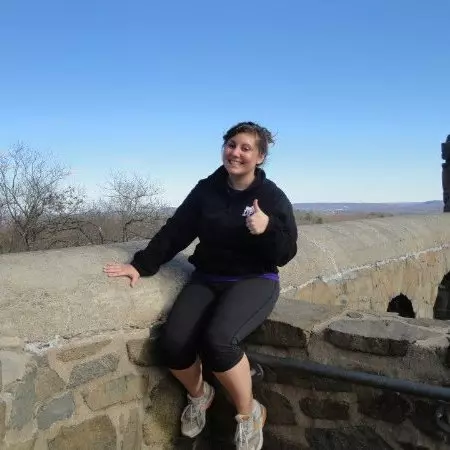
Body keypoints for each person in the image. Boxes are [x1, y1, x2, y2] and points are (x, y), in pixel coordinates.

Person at [103, 121, 298, 450]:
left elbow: (286, 253)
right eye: (231, 144)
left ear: (260, 157)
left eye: (245, 148)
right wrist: (140, 264)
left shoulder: (271, 197)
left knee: (219, 342)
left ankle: (249, 413)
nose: (235, 152)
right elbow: (177, 230)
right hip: (209, 277)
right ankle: (200, 395)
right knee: (173, 344)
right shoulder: (206, 190)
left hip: (254, 279)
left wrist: (266, 229)